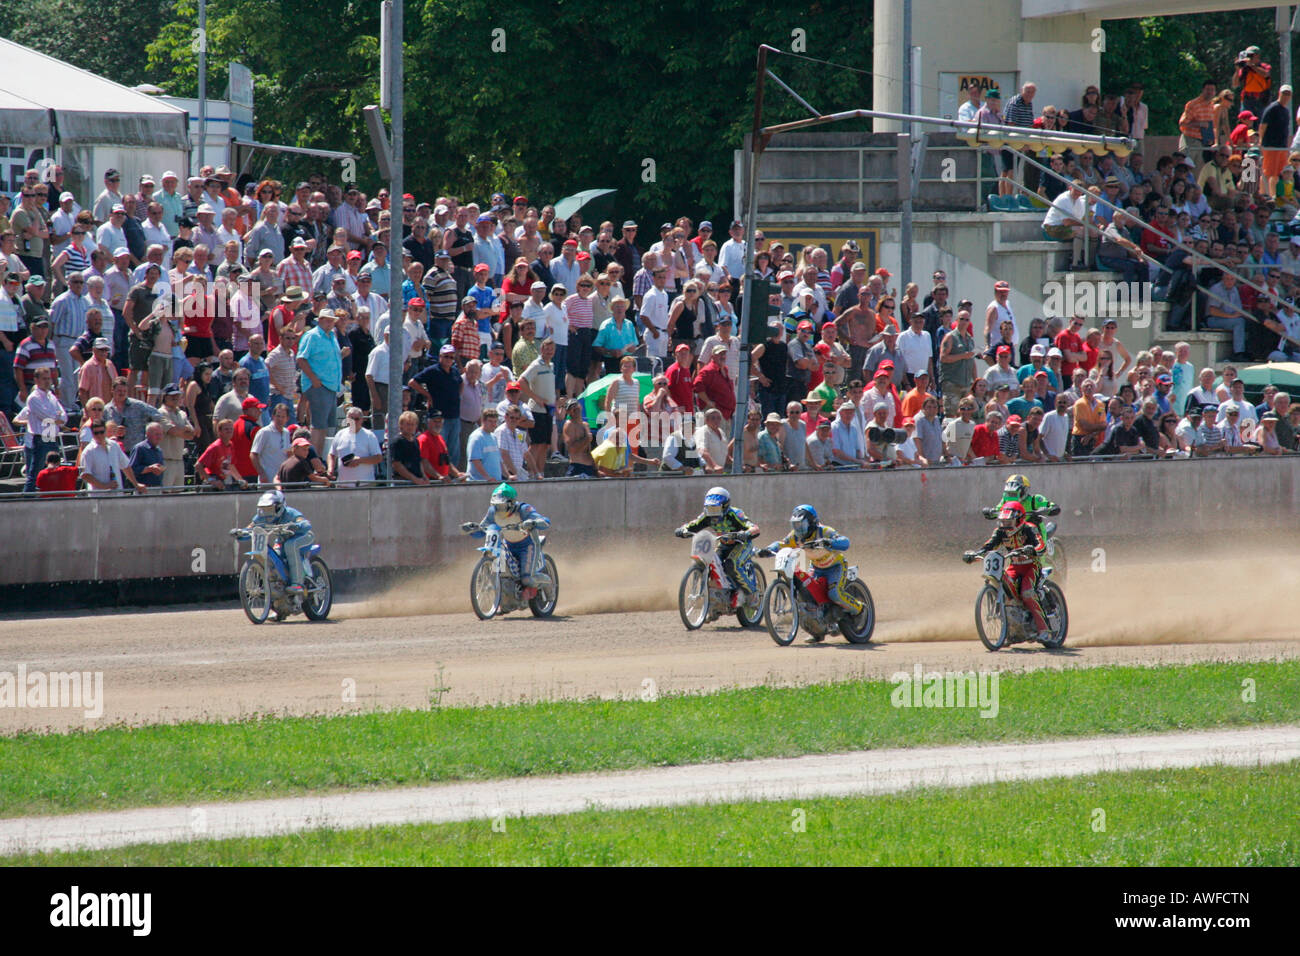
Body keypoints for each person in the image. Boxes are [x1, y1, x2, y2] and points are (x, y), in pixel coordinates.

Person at [757, 504, 863, 639]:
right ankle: (818, 632)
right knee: (805, 596)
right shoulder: (795, 537)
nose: (798, 529)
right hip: (816, 568)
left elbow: (845, 542)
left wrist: (829, 542)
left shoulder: (824, 531)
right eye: (795, 525)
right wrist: (767, 549)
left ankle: (859, 609)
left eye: (801, 525)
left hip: (835, 566)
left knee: (834, 594)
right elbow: (781, 544)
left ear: (812, 522)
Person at [962, 501, 1052, 642]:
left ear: (1019, 519)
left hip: (1031, 566)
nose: (1005, 525)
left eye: (1009, 521)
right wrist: (975, 554)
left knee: (1027, 592)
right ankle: (1011, 632)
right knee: (1005, 589)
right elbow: (989, 545)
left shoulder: (1030, 528)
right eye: (1003, 521)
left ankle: (1044, 630)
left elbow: (1041, 546)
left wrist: (1033, 550)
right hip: (1014, 566)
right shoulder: (1000, 532)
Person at [461, 482, 551, 594]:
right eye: (496, 505)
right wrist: (472, 530)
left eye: (502, 505)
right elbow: (483, 530)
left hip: (528, 546)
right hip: (508, 545)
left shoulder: (523, 509)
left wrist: (532, 522)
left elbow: (546, 522)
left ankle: (549, 584)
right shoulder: (492, 512)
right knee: (499, 570)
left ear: (511, 503)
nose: (499, 509)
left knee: (527, 579)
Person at [672, 486, 761, 595]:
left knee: (731, 564)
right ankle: (721, 594)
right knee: (711, 564)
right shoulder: (706, 516)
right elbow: (693, 524)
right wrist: (682, 530)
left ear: (725, 506)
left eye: (715, 509)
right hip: (723, 544)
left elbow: (755, 528)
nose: (712, 513)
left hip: (741, 544)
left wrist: (745, 533)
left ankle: (751, 594)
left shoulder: (736, 513)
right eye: (710, 509)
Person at [248, 489, 315, 596]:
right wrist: (240, 532)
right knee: (276, 555)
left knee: (290, 545)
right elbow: (250, 527)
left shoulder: (291, 513)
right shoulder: (261, 517)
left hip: (304, 537)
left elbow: (304, 523)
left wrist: (298, 525)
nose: (266, 513)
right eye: (264, 509)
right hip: (282, 540)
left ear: (280, 506)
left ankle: (297, 583)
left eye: (270, 509)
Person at [981, 473, 1061, 537]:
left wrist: (1047, 510)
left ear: (1025, 490)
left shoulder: (1035, 499)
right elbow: (997, 510)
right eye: (1010, 493)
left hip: (1035, 530)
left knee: (1040, 550)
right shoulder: (1005, 501)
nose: (1012, 497)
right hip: (1013, 528)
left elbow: (1053, 506)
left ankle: (1042, 554)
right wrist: (990, 512)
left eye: (1015, 493)